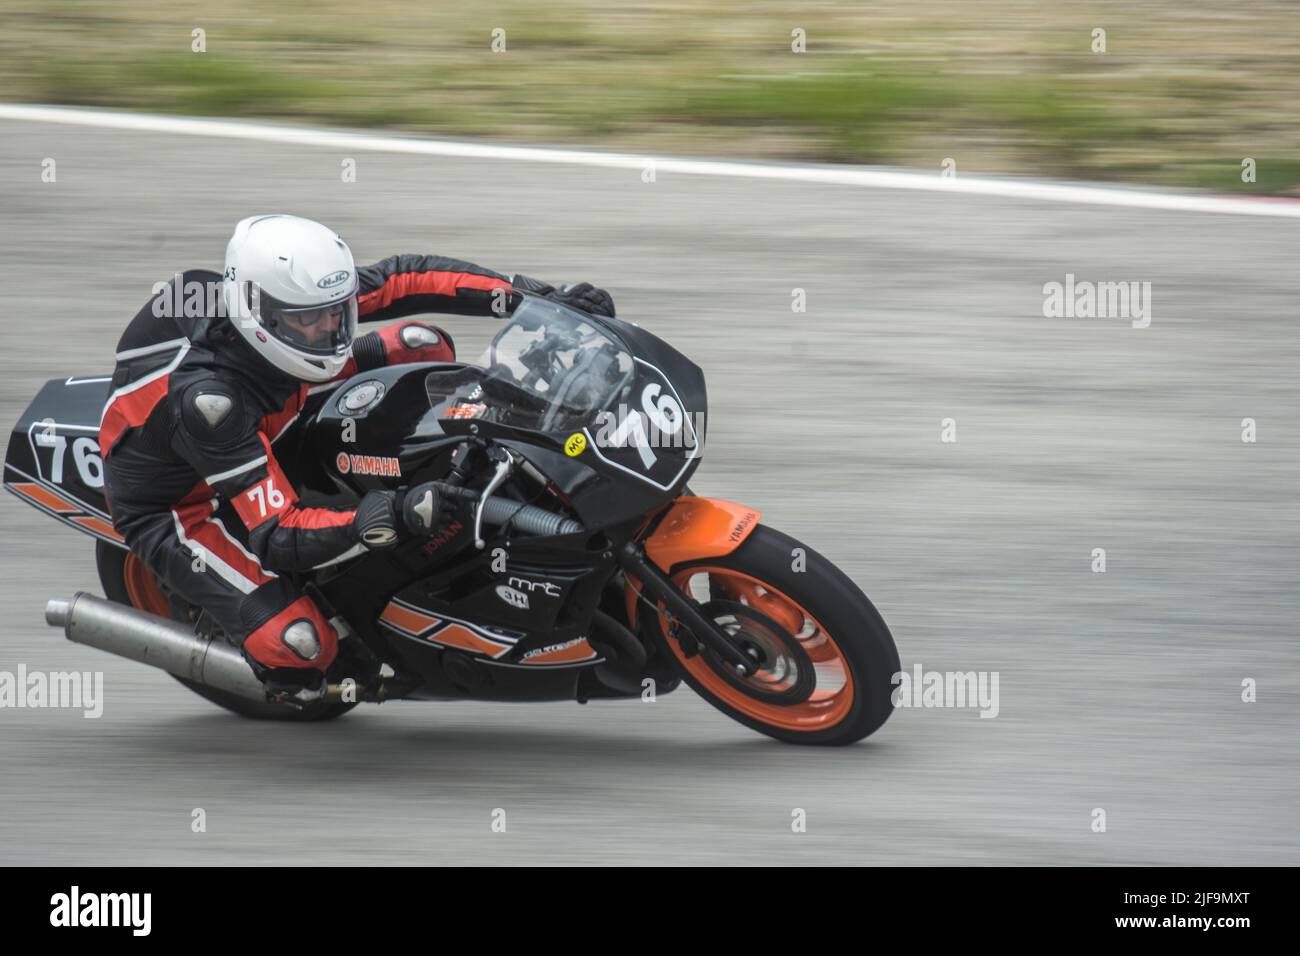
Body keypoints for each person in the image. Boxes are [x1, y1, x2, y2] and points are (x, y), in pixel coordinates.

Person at [99, 214, 614, 701]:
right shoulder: (211, 402)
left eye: (337, 312)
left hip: (281, 399)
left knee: (421, 343)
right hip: (186, 504)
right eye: (309, 320)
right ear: (258, 316)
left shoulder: (292, 300)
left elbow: (404, 279)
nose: (331, 329)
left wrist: (537, 299)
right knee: (303, 649)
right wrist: (390, 514)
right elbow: (278, 534)